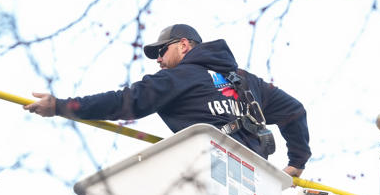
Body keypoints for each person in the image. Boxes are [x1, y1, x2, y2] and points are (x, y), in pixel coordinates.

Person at [23, 24, 310, 176]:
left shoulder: (177, 77)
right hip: (259, 180)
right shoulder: (247, 80)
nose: (158, 59)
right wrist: (296, 163)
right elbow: (294, 112)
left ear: (184, 45)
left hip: (215, 178)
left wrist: (60, 106)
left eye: (162, 50)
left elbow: (123, 101)